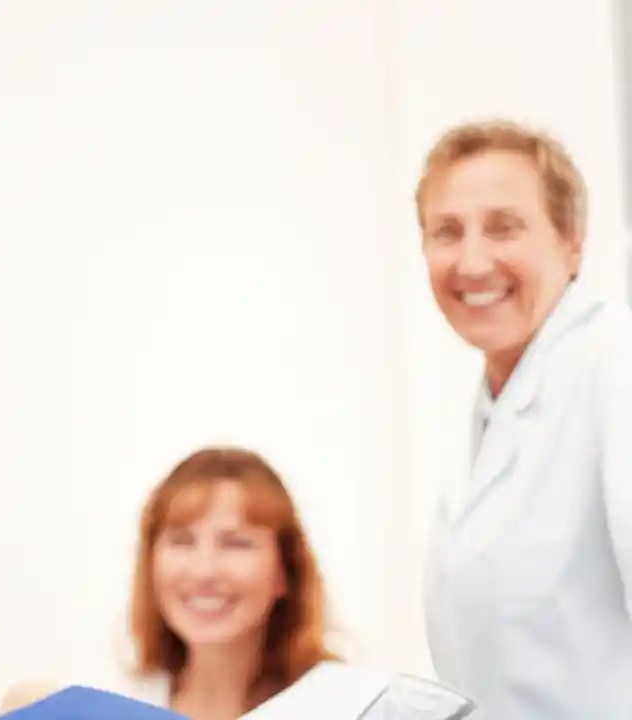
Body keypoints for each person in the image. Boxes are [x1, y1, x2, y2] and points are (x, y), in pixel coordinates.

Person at [415, 119, 632, 718]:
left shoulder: (616, 371)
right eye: (447, 232)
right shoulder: (494, 403)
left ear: (572, 243)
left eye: (504, 228)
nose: (473, 260)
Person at [112, 447, 473, 719]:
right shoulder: (116, 708)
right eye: (182, 542)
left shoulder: (356, 707)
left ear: (285, 571)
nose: (205, 570)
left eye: (236, 543)